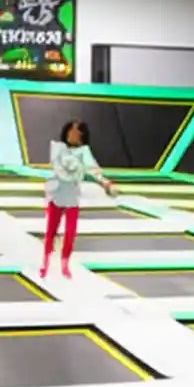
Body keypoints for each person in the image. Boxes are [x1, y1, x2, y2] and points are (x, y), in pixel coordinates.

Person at [42, 120, 115, 279]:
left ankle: (64, 264)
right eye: (70, 132)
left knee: (70, 232)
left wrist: (103, 181)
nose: (72, 135)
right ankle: (46, 262)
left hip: (72, 196)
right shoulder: (59, 148)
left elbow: (92, 168)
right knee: (51, 231)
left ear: (81, 136)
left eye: (75, 133)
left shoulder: (84, 151)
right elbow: (57, 169)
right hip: (56, 194)